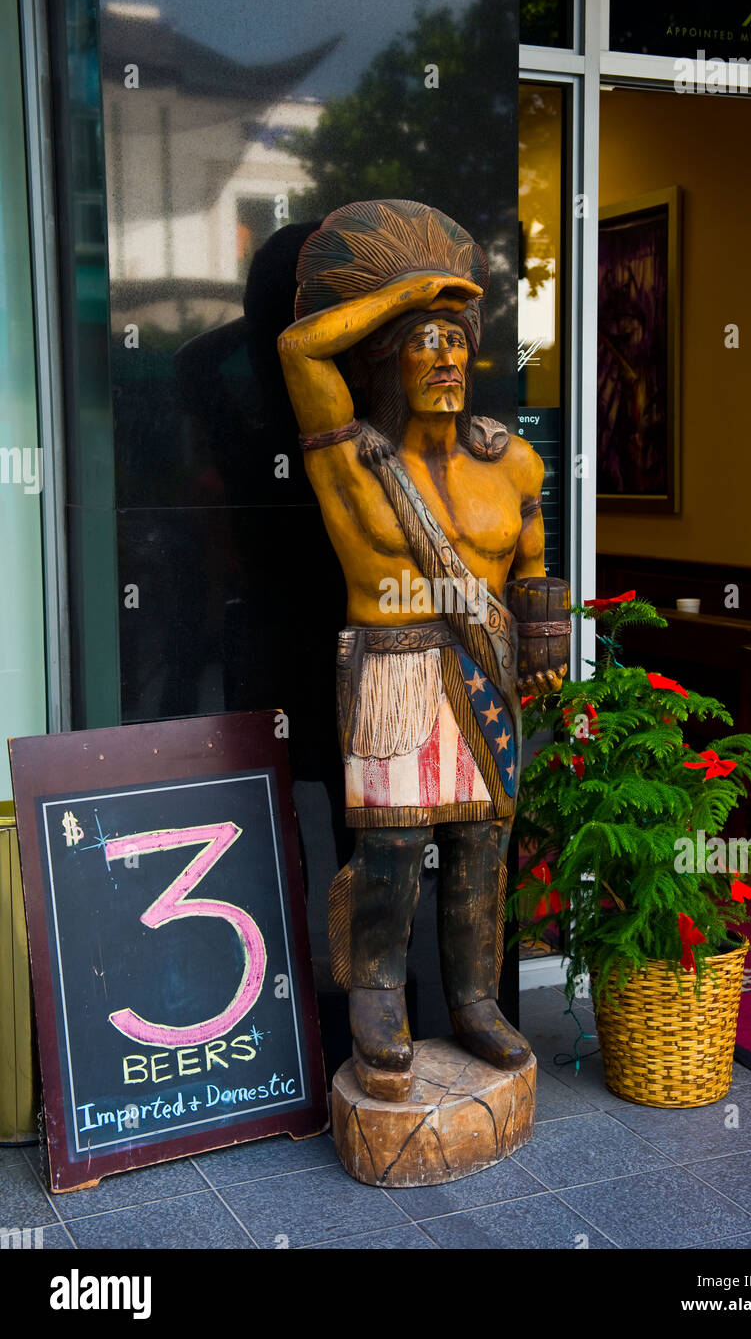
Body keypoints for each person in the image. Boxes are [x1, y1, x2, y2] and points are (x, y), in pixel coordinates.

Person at [278, 199, 568, 1100]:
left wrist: (546, 640)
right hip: (394, 668)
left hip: (482, 675)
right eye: (421, 340)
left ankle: (477, 1000)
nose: (445, 357)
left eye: (456, 338)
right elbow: (299, 350)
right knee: (394, 852)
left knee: (482, 845)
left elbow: (534, 566)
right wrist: (410, 290)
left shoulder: (511, 463)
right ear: (385, 360)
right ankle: (376, 999)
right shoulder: (350, 459)